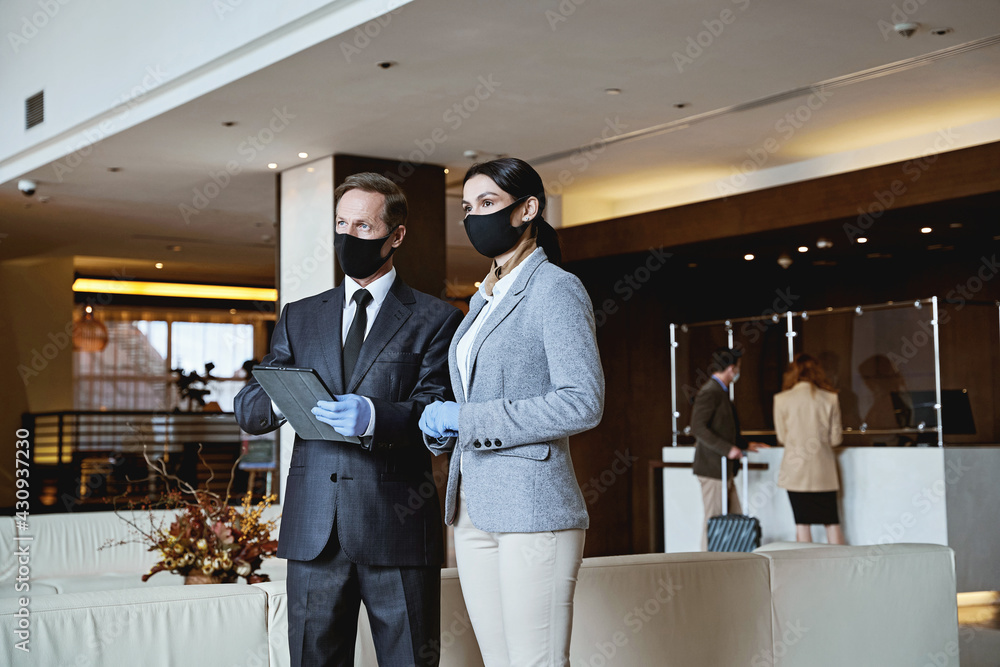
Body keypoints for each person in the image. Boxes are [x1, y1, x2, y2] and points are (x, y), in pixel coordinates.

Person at [234, 172, 462, 667]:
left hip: (396, 528)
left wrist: (375, 417)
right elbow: (250, 408)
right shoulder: (299, 316)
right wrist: (282, 399)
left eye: (362, 226)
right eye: (341, 224)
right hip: (313, 530)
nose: (348, 237)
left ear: (394, 236)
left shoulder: (437, 319)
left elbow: (437, 411)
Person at [417, 157, 604, 667]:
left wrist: (467, 419)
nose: (475, 217)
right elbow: (473, 398)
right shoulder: (484, 298)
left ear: (528, 209)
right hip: (473, 510)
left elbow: (581, 401)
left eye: (488, 204)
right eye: (468, 208)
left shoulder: (555, 288)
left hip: (533, 509)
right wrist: (442, 424)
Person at [690, 347, 768, 550]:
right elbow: (698, 427)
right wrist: (727, 449)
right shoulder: (710, 392)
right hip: (713, 469)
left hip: (724, 469)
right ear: (731, 368)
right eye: (738, 368)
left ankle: (730, 563)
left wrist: (744, 445)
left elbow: (723, 427)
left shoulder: (721, 392)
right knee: (714, 519)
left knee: (734, 516)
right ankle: (705, 566)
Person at [773, 353, 846, 544]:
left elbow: (782, 437)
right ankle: (843, 568)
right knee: (832, 523)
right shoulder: (831, 398)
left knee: (802, 524)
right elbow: (836, 439)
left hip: (796, 472)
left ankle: (807, 571)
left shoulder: (781, 399)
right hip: (824, 472)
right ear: (817, 372)